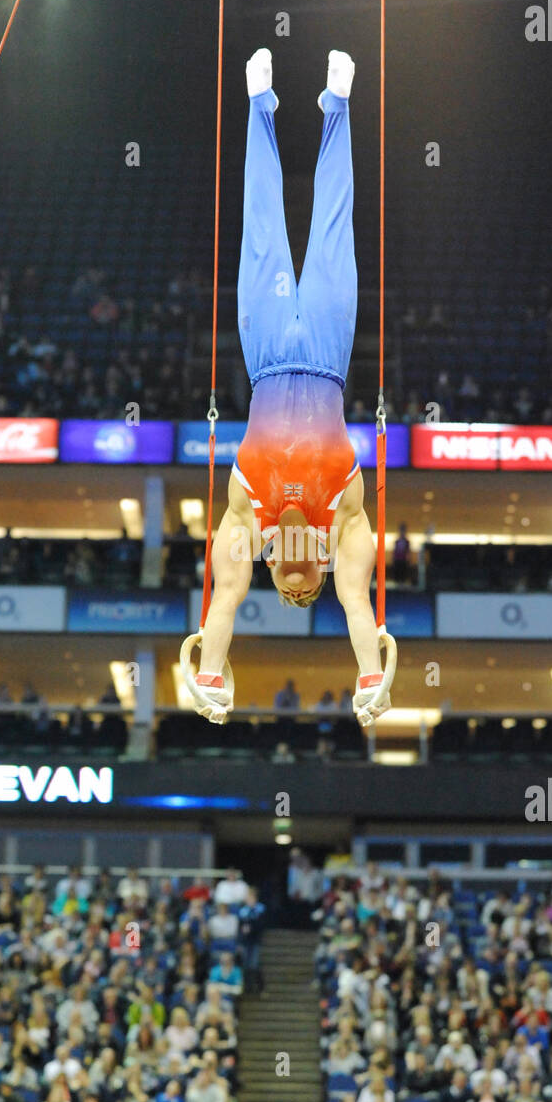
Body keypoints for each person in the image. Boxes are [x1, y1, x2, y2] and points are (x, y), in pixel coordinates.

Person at [192, 48, 392, 726]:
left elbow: (222, 599)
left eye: (288, 567)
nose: (302, 556)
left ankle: (259, 107)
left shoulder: (246, 511)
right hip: (331, 348)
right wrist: (371, 678)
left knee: (261, 227)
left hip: (269, 346)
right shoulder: (349, 509)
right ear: (324, 559)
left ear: (271, 558)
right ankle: (337, 106)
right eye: (315, 565)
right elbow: (360, 605)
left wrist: (211, 674)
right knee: (334, 223)